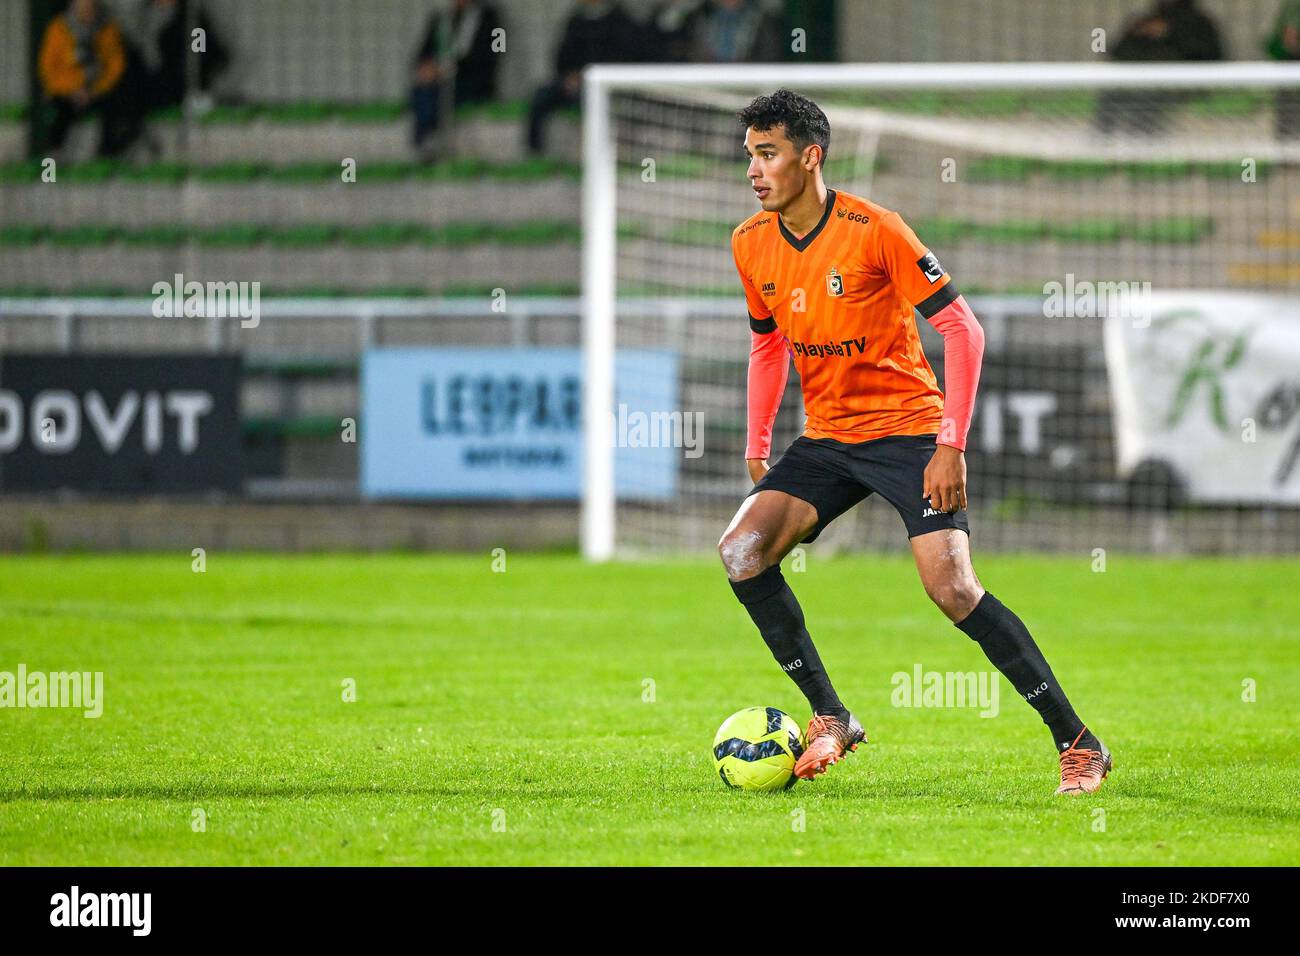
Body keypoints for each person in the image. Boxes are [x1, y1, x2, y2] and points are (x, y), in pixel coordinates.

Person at [722, 89, 1111, 795]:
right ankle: (833, 716)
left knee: (953, 588)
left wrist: (950, 443)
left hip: (908, 430)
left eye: (768, 153)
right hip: (829, 437)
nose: (754, 169)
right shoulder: (750, 242)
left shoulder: (876, 230)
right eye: (750, 154)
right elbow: (767, 344)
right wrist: (759, 440)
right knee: (742, 553)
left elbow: (965, 330)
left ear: (810, 158)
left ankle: (1079, 741)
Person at [526, 0, 636, 156]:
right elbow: (562, 55)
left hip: (603, 83)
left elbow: (622, 57)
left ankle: (596, 154)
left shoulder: (619, 19)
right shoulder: (577, 18)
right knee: (541, 96)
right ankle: (534, 151)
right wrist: (568, 76)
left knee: (592, 103)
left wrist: (589, 77)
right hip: (572, 81)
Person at [1099, 0, 1224, 134]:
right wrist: (1138, 32)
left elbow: (1210, 55)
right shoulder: (1144, 21)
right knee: (1112, 95)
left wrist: (1171, 32)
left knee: (1146, 101)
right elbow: (1117, 52)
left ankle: (1143, 142)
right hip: (1141, 82)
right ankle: (1102, 141)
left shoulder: (1200, 23)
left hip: (1180, 85)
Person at [36, 0, 129, 157]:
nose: (87, 10)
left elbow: (116, 66)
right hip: (67, 92)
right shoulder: (58, 28)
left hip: (97, 90)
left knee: (117, 106)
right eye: (83, 5)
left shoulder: (108, 28)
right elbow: (48, 69)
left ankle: (106, 155)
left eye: (90, 6)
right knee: (57, 113)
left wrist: (95, 91)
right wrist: (74, 89)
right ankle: (51, 164)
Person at [411, 0, 503, 158]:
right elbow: (422, 53)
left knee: (435, 93)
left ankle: (428, 138)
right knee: (423, 89)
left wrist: (449, 68)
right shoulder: (442, 18)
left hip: (473, 82)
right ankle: (426, 139)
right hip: (438, 81)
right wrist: (428, 67)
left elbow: (493, 56)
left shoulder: (491, 19)